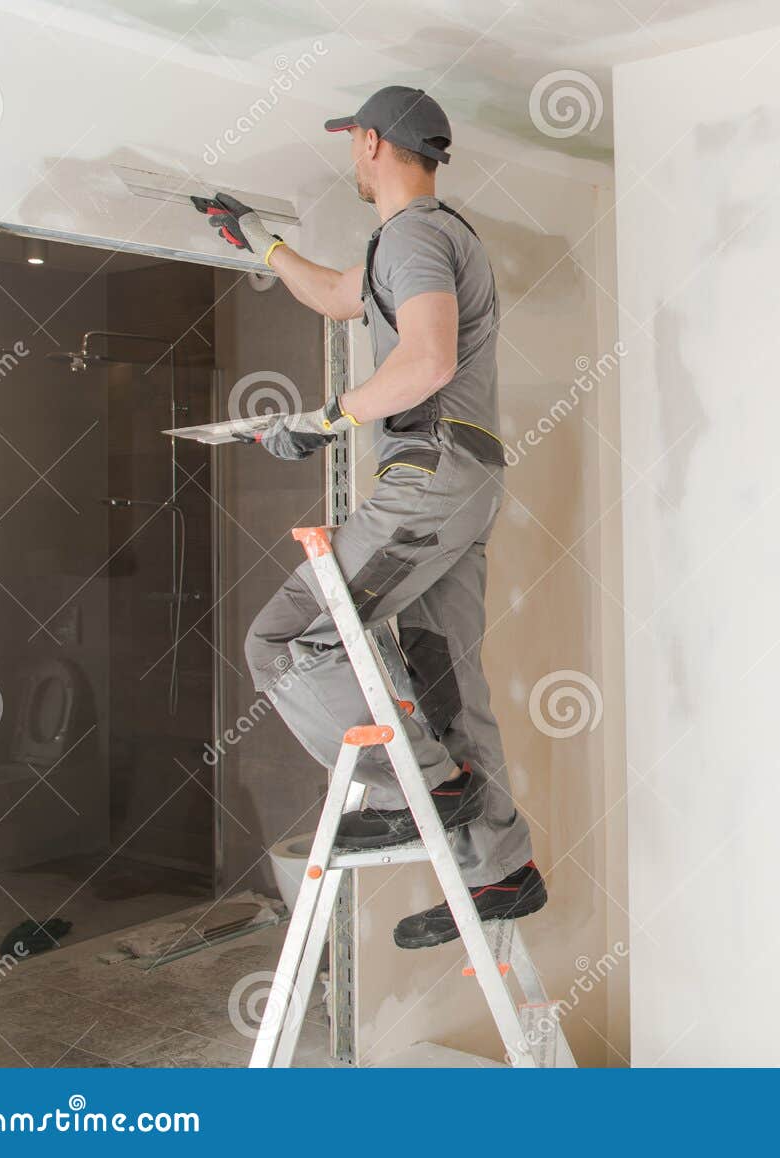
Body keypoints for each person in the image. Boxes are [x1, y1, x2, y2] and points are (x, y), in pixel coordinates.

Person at [196, 86, 544, 950]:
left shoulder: (418, 235)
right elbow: (339, 295)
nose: (351, 156)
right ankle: (501, 868)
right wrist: (260, 242)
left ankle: (409, 789)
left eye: (353, 141)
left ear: (375, 143)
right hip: (462, 479)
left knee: (286, 639)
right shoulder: (415, 240)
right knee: (443, 682)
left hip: (427, 476)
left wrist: (324, 421)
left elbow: (423, 359)